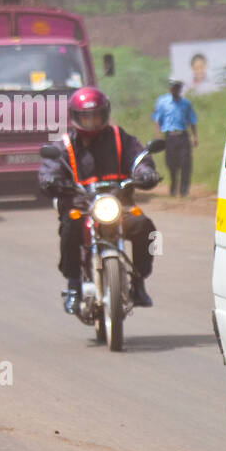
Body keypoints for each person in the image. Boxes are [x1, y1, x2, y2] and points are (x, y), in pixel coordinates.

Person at [40, 87, 160, 313]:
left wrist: (145, 173)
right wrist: (51, 180)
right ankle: (73, 286)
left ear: (105, 114)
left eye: (96, 116)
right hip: (80, 206)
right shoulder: (64, 145)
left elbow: (139, 158)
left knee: (148, 229)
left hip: (118, 205)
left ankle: (139, 281)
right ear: (75, 117)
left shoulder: (119, 138)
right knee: (69, 229)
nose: (92, 122)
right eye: (86, 117)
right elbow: (50, 168)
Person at [152, 78, 198, 197]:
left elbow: (192, 120)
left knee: (185, 163)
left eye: (177, 88)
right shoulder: (163, 102)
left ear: (180, 90)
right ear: (170, 89)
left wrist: (195, 136)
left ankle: (184, 190)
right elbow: (157, 119)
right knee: (171, 164)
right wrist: (158, 136)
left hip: (182, 136)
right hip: (170, 137)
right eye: (173, 88)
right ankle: (173, 188)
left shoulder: (186, 104)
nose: (175, 90)